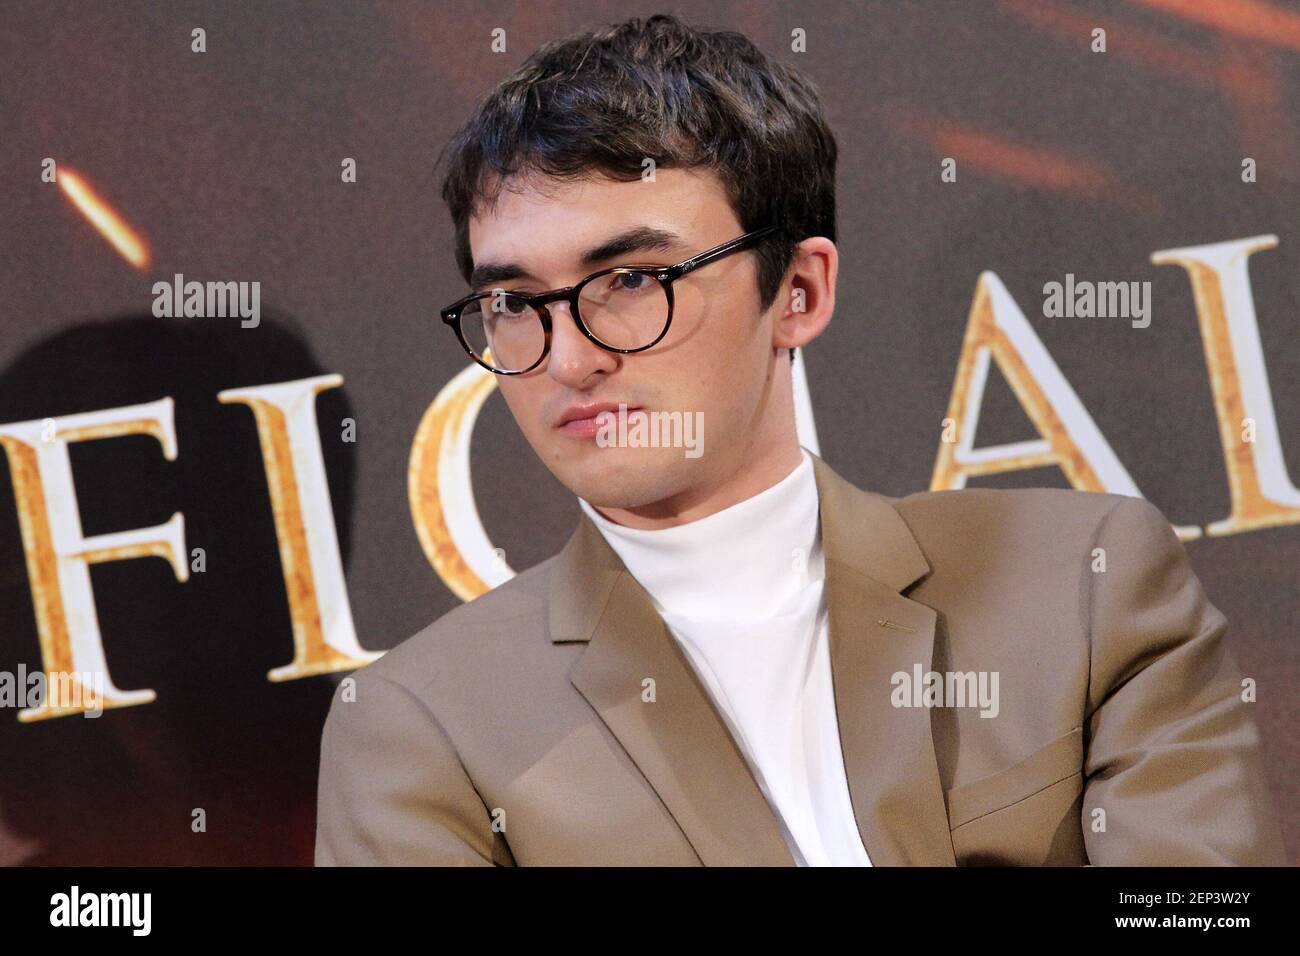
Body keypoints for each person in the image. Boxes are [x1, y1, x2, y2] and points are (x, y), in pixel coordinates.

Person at [315, 14, 1285, 866]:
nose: (568, 357)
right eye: (515, 302)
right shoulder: (422, 725)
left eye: (632, 280)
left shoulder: (1084, 581)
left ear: (800, 292)